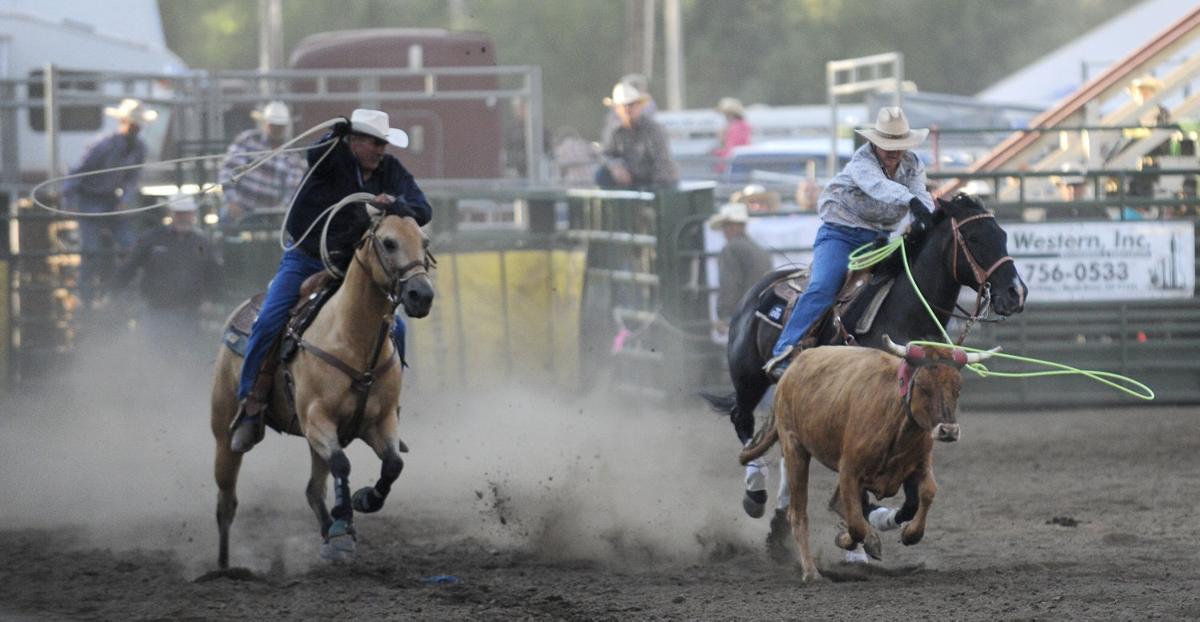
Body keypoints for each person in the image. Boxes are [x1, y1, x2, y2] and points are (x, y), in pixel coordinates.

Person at [230, 108, 432, 454]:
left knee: (396, 328)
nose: (380, 150)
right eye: (373, 142)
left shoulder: (390, 171)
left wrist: (395, 203)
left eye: (383, 143)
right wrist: (333, 136)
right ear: (354, 142)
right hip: (306, 257)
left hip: (355, 264)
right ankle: (251, 404)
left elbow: (421, 208)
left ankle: (388, 410)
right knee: (270, 320)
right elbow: (315, 155)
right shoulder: (332, 159)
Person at [763, 106, 935, 380]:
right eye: (887, 144)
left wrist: (928, 214)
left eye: (898, 145)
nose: (893, 151)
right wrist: (914, 203)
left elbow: (920, 192)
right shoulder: (862, 162)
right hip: (840, 234)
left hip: (880, 238)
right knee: (824, 285)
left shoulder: (913, 164)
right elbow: (879, 187)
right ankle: (784, 349)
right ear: (875, 144)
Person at [63, 98, 157, 312]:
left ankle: (121, 293)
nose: (136, 127)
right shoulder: (103, 145)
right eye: (133, 122)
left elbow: (132, 179)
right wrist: (69, 201)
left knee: (129, 244)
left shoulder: (139, 148)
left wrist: (124, 201)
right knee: (91, 250)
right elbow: (77, 172)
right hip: (89, 198)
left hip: (111, 200)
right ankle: (84, 297)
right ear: (123, 121)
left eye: (138, 123)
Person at [112, 194, 221, 348]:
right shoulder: (152, 239)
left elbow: (213, 273)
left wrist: (210, 300)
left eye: (187, 213)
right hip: (156, 311)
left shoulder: (201, 243)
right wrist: (117, 294)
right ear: (171, 214)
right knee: (155, 355)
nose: (184, 217)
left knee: (188, 355)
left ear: (193, 215)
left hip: (189, 314)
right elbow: (128, 267)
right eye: (179, 213)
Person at [219, 101, 306, 223]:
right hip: (240, 209)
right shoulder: (248, 140)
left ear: (285, 127)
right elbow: (228, 171)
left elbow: (293, 189)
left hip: (271, 217)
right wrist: (233, 201)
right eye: (273, 125)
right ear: (264, 123)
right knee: (226, 220)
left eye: (279, 126)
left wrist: (282, 211)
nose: (276, 129)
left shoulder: (292, 156)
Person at [594, 81, 678, 189]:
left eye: (631, 104)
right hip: (630, 180)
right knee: (602, 175)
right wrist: (615, 166)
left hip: (654, 180)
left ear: (639, 106)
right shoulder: (614, 130)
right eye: (623, 105)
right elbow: (605, 154)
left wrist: (654, 187)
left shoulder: (653, 129)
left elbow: (662, 162)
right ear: (617, 109)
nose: (627, 109)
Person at [708, 202, 773, 334]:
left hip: (744, 314)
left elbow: (729, 285)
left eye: (725, 226)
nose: (724, 231)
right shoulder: (758, 248)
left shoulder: (731, 249)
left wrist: (725, 317)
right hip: (763, 312)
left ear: (732, 226)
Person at [712, 97, 751, 172]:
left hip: (732, 167)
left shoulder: (735, 128)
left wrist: (718, 152)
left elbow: (731, 150)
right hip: (738, 164)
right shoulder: (741, 126)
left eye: (725, 114)